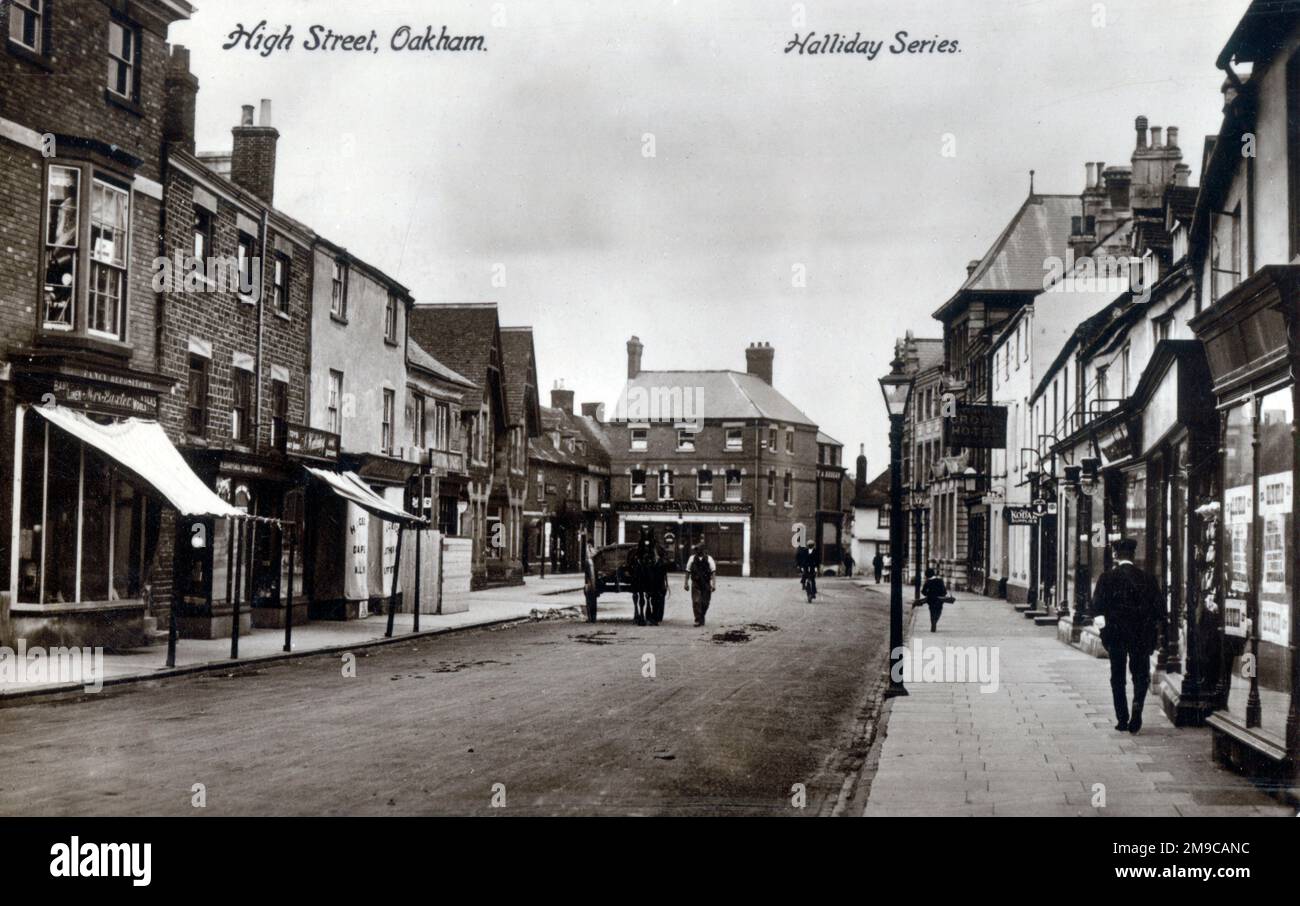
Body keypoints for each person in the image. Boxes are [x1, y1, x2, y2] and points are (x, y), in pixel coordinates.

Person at [1091, 537, 1164, 734]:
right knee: (1140, 675)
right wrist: (1151, 633)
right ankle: (1137, 707)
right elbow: (1160, 612)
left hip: (1116, 636)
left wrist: (1104, 633)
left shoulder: (1106, 579)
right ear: (1133, 555)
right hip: (1140, 636)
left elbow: (1097, 610)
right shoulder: (1147, 579)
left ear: (1116, 556)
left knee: (1117, 677)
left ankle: (1122, 718)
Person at [684, 542, 717, 626]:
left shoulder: (709, 559)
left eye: (698, 549)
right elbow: (688, 571)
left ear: (703, 550)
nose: (697, 551)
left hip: (706, 583)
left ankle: (702, 616)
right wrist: (686, 583)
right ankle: (697, 619)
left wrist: (713, 584)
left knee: (705, 602)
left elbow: (713, 572)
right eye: (696, 549)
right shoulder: (692, 558)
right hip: (696, 582)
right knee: (696, 601)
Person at [582, 542, 598, 623]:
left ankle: (591, 618)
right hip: (593, 584)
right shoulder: (593, 562)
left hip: (590, 585)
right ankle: (593, 618)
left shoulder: (588, 562)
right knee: (593, 602)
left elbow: (587, 575)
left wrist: (587, 584)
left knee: (589, 601)